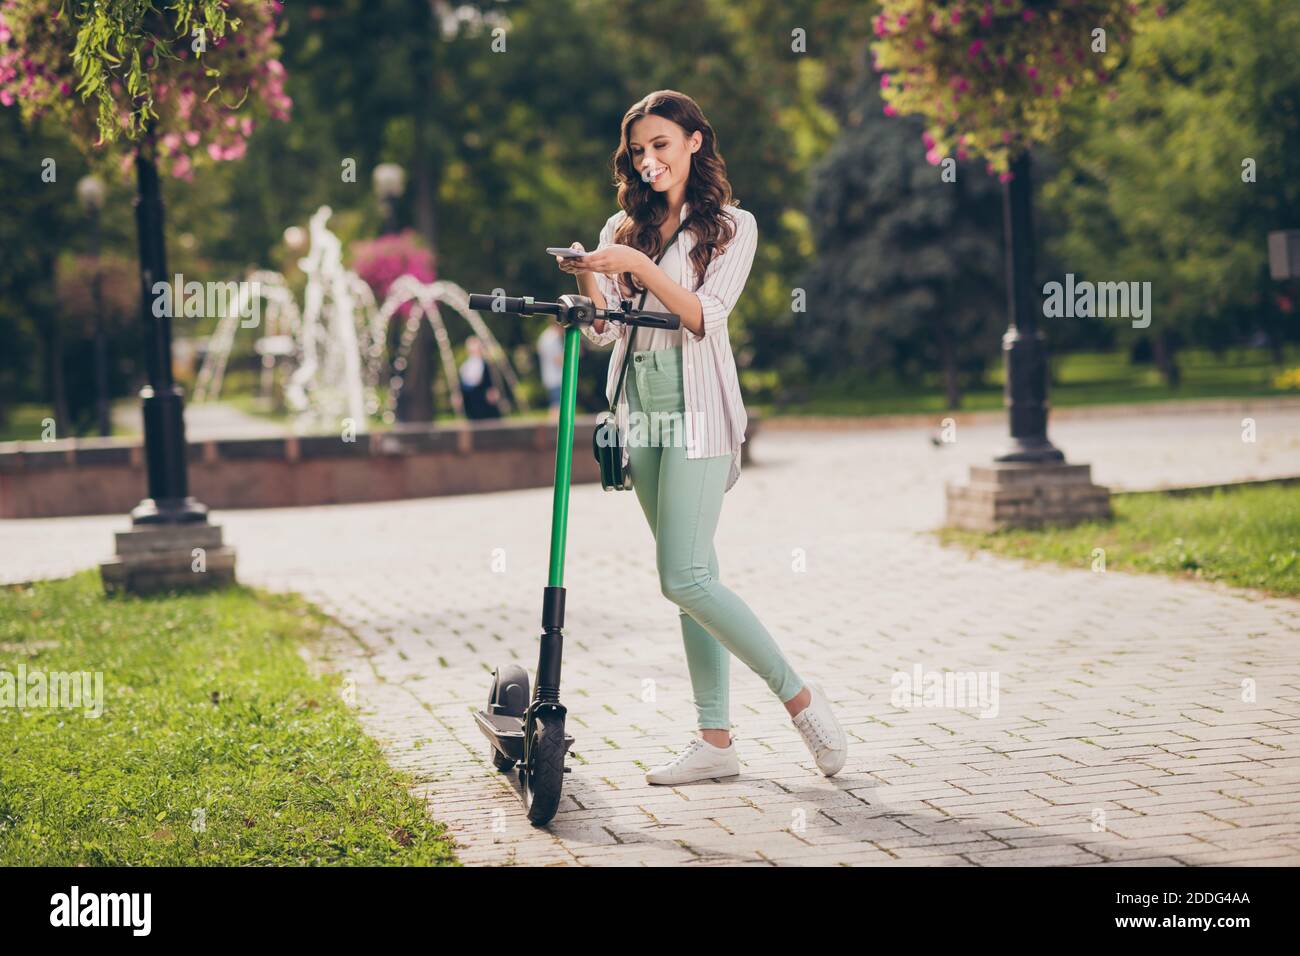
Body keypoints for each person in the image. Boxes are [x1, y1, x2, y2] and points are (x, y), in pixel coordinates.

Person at [556, 90, 846, 785]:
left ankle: (803, 702)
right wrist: (592, 282)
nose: (648, 159)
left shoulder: (732, 228)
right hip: (641, 413)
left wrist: (633, 266)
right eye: (637, 150)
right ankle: (715, 741)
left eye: (661, 143)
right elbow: (612, 332)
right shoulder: (622, 226)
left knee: (681, 576)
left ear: (693, 141)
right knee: (694, 580)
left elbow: (703, 317)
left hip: (700, 412)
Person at [459, 335, 502, 420]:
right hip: (470, 402)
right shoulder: (466, 366)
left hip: (485, 402)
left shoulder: (487, 365)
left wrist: (493, 391)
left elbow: (491, 382)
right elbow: (463, 384)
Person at [536, 323, 565, 420]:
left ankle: (553, 427)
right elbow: (557, 359)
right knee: (557, 405)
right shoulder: (553, 338)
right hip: (556, 377)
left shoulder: (544, 336)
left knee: (555, 403)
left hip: (549, 375)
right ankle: (554, 428)